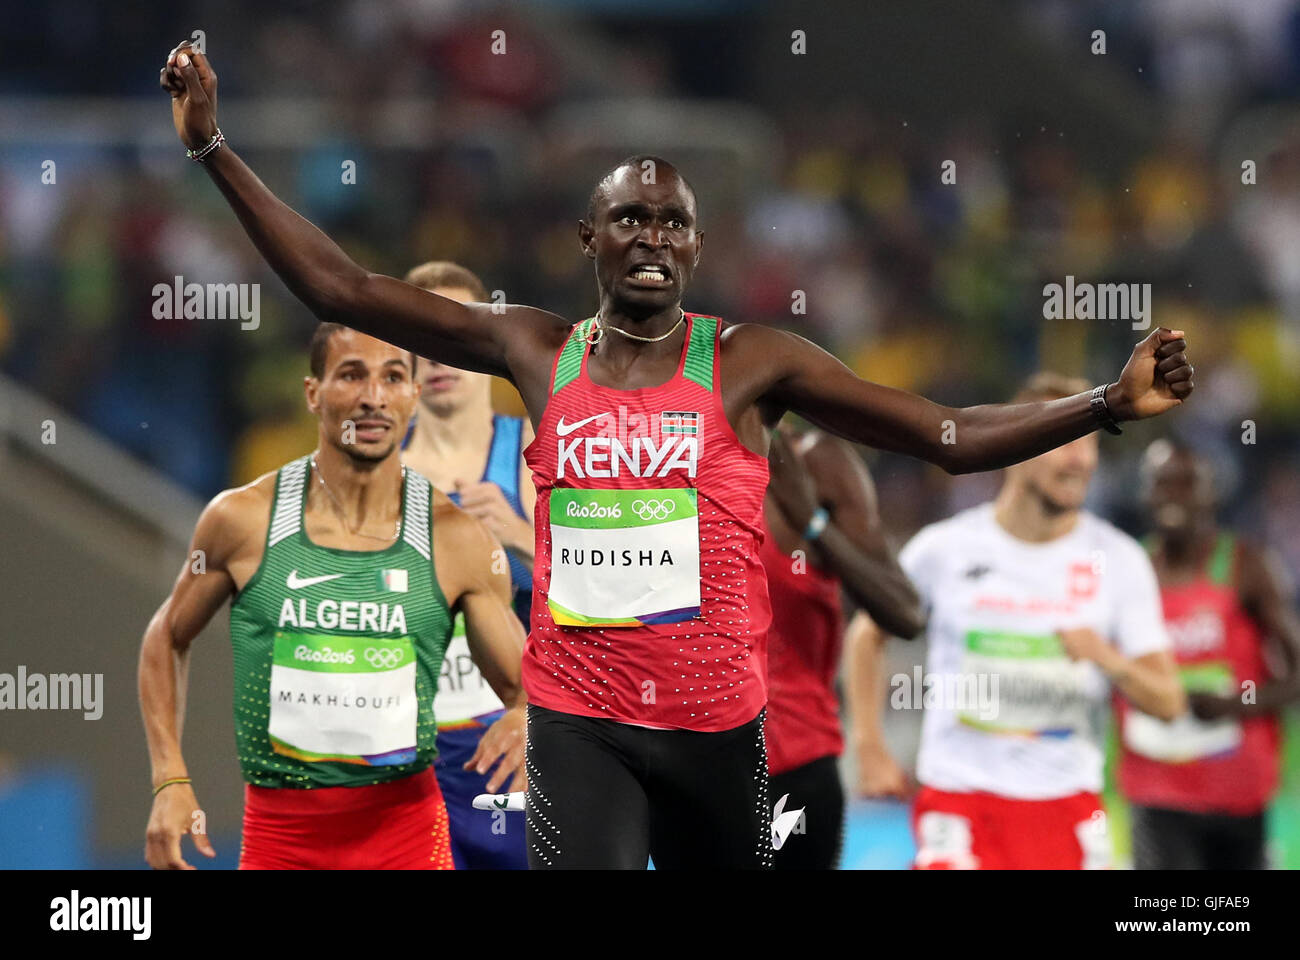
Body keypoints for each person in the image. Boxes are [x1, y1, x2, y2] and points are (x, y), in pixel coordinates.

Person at [160, 44, 1195, 868]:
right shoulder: (532, 346)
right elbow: (343, 289)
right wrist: (215, 153)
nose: (651, 235)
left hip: (717, 728)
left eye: (672, 221)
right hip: (580, 723)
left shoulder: (750, 363)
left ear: (694, 247)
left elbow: (945, 436)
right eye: (628, 219)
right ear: (588, 237)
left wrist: (1104, 403)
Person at [138, 324, 527, 869]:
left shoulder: (457, 538)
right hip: (282, 842)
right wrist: (169, 778)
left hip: (408, 840)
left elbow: (522, 685)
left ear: (413, 397)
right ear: (312, 393)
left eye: (393, 377)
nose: (373, 397)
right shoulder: (241, 521)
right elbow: (166, 636)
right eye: (351, 375)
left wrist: (528, 715)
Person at [852, 374, 1187, 869]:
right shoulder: (945, 549)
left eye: (1090, 446)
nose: (1081, 460)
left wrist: (1105, 658)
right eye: (1065, 444)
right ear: (1021, 443)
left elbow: (1167, 701)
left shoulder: (1117, 559)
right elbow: (867, 633)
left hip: (1069, 806)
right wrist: (868, 743)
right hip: (960, 802)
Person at [401, 260, 534, 870]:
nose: (437, 358)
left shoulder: (534, 455)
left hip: (513, 741)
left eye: (452, 338)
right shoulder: (375, 466)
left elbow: (617, 594)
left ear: (488, 345)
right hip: (404, 753)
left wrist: (523, 536)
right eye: (421, 342)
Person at [1118, 439, 1300, 869]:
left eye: (1187, 484)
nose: (1173, 497)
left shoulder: (1247, 566)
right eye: (1162, 484)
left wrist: (1233, 706)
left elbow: (1297, 675)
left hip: (1237, 793)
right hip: (1155, 789)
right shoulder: (1128, 570)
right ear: (1144, 492)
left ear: (1212, 494)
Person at [761, 427, 924, 868]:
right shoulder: (667, 460)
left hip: (793, 768)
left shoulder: (816, 465)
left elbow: (905, 611)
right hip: (688, 760)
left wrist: (812, 519)